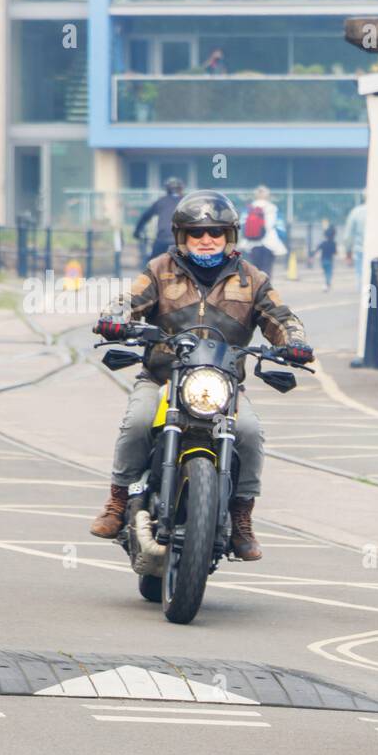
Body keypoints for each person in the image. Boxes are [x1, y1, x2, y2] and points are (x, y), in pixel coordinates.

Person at [89, 190, 313, 560]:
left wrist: (295, 342)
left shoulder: (251, 278)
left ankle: (241, 516)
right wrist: (115, 320)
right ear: (182, 237)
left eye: (216, 233)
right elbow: (128, 302)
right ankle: (116, 502)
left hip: (221, 384)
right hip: (163, 379)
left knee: (251, 433)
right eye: (197, 233)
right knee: (138, 421)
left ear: (230, 237)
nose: (207, 240)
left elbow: (281, 317)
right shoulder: (161, 269)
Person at [239, 186, 287, 279]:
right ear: (268, 196)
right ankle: (265, 291)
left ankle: (254, 291)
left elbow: (242, 225)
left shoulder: (249, 208)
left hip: (250, 244)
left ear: (255, 196)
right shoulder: (273, 208)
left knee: (252, 271)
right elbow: (281, 228)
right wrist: (281, 240)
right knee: (266, 270)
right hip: (270, 243)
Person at [133, 178, 185, 262]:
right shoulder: (185, 201)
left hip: (162, 240)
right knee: (189, 263)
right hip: (180, 241)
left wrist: (137, 232)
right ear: (181, 189)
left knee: (152, 265)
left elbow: (145, 217)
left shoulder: (161, 201)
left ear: (167, 189)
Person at [341, 196, 366, 284]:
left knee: (361, 275)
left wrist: (348, 253)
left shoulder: (356, 212)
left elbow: (348, 235)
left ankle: (364, 295)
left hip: (360, 249)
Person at [310, 222, 337, 291]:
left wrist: (312, 256)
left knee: (325, 272)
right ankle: (327, 284)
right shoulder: (333, 243)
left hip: (323, 260)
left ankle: (327, 284)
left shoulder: (323, 243)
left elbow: (317, 249)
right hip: (330, 260)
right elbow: (335, 252)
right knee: (329, 273)